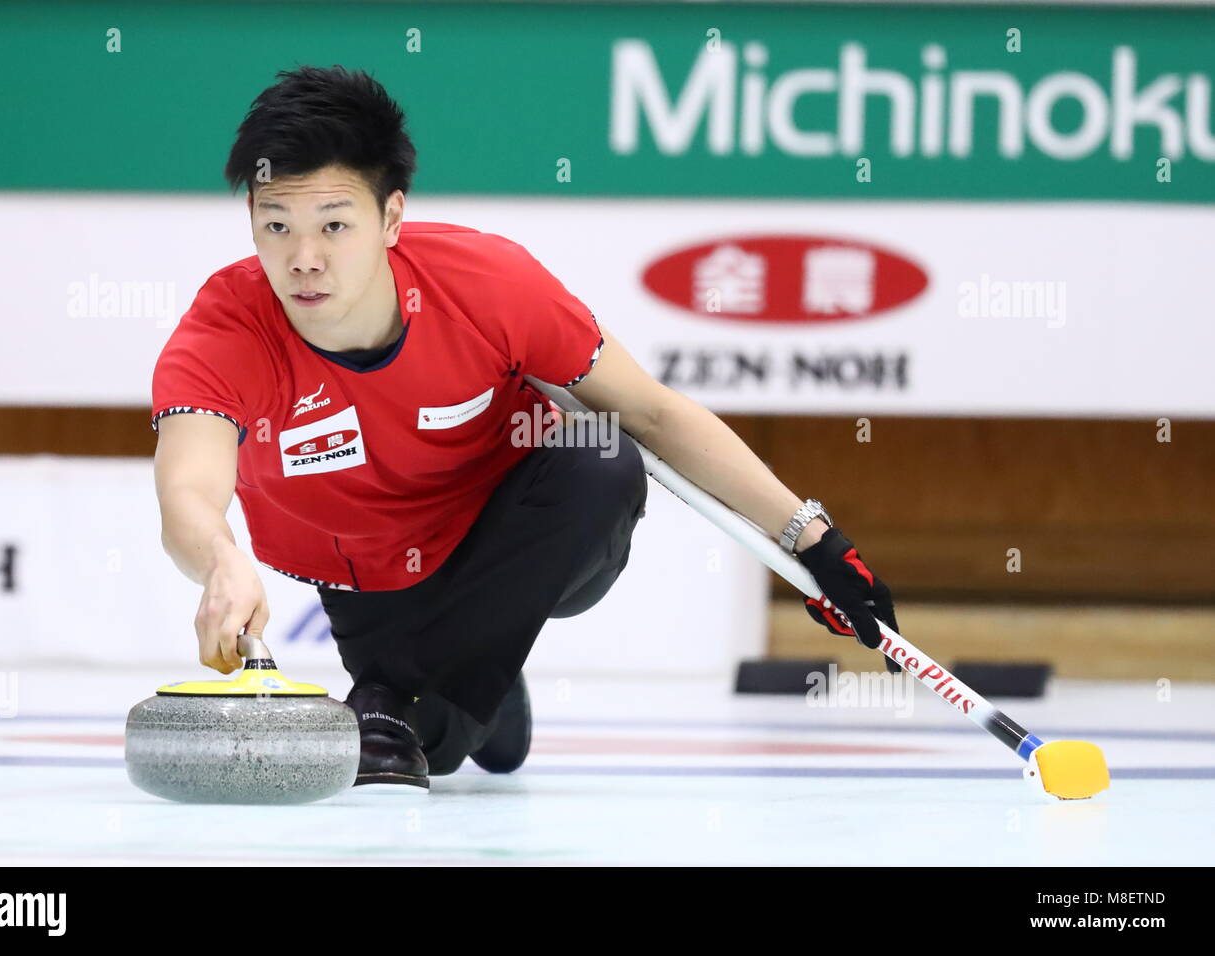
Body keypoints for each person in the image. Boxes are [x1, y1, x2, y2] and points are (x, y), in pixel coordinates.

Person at [151, 66, 899, 790]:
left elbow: (651, 412)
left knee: (600, 452)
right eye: (275, 225)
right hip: (362, 572)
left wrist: (811, 537)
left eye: (334, 226)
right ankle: (477, 679)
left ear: (392, 218)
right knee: (429, 720)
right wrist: (220, 559)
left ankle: (412, 702)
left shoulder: (489, 287)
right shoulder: (227, 328)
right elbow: (188, 485)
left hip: (510, 540)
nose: (303, 260)